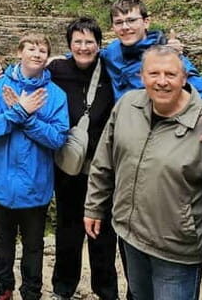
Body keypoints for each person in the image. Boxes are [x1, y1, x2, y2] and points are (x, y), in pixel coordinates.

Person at [84, 45, 202, 300]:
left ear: (184, 78)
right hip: (131, 238)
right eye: (153, 73)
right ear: (141, 76)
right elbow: (104, 162)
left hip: (177, 254)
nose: (161, 81)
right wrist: (94, 207)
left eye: (170, 74)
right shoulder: (127, 106)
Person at [0, 32, 69, 300]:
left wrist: (27, 117)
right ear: (20, 52)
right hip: (0, 181)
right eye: (31, 48)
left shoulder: (56, 95)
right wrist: (19, 111)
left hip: (35, 183)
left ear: (47, 57)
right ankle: (3, 289)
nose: (37, 54)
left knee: (33, 245)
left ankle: (31, 293)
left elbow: (57, 138)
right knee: (2, 240)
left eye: (42, 50)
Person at [40, 18, 119, 300]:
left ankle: (106, 291)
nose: (83, 47)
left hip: (103, 167)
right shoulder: (57, 69)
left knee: (103, 233)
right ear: (69, 45)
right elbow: (27, 76)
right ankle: (63, 288)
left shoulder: (111, 70)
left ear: (99, 45)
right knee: (68, 229)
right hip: (68, 167)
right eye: (78, 42)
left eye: (89, 42)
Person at [99, 0, 202, 143]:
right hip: (121, 134)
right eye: (119, 22)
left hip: (159, 135)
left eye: (131, 20)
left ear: (146, 22)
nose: (125, 27)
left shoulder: (167, 55)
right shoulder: (111, 52)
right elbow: (87, 55)